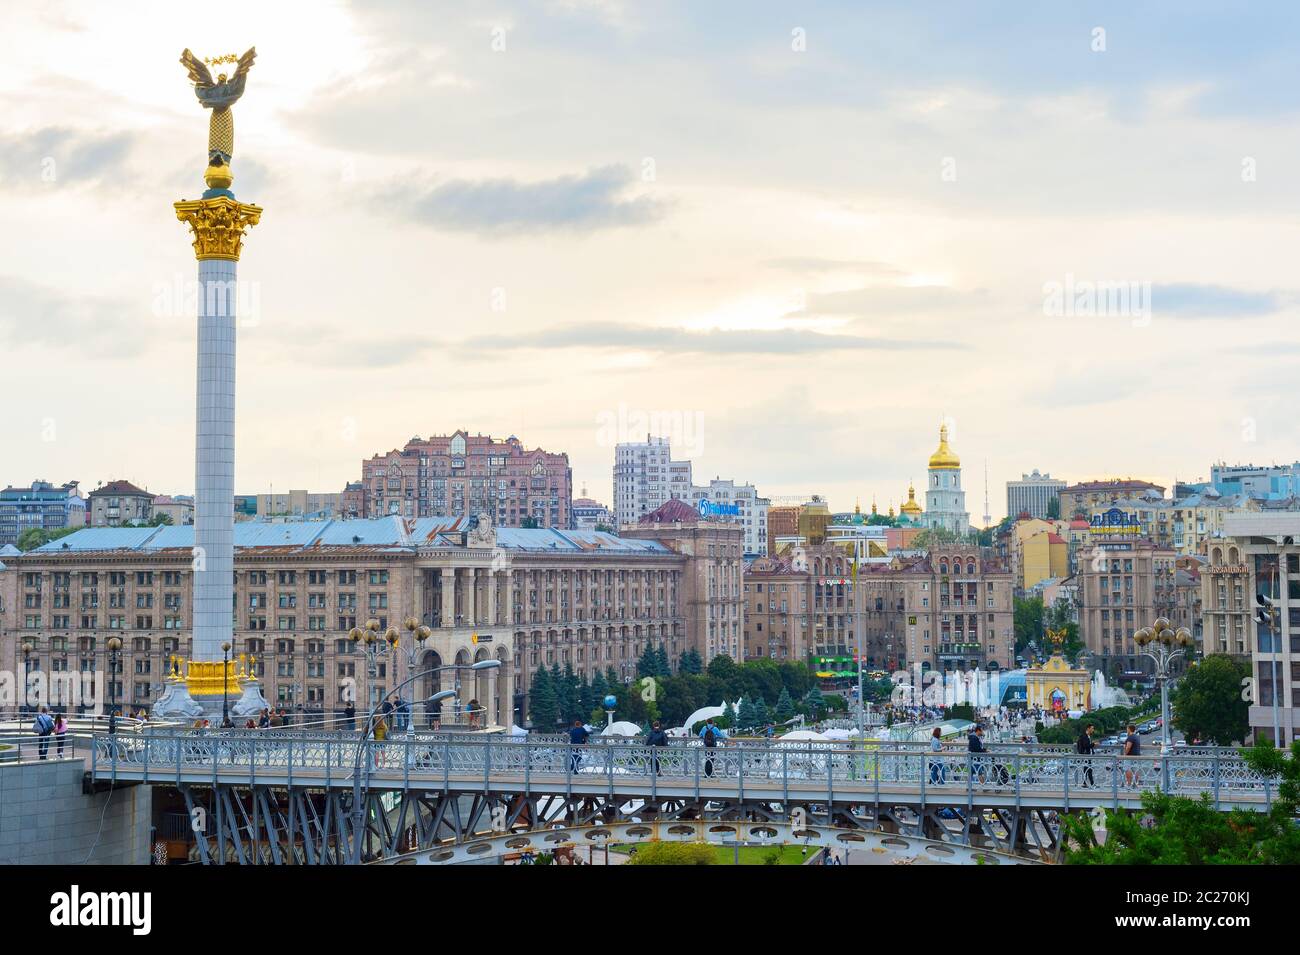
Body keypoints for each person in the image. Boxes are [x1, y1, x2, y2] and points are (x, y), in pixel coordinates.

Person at [1076, 722, 1096, 788]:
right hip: (1086, 755)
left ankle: (1085, 783)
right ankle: (1092, 784)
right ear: (1088, 728)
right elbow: (1086, 745)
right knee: (1089, 769)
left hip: (1087, 755)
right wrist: (1093, 744)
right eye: (1092, 728)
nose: (1093, 730)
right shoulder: (1084, 736)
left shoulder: (1087, 736)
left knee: (1086, 769)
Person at [1122, 723, 1142, 788]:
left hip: (1130, 756)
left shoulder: (1130, 737)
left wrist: (1125, 754)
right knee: (1135, 770)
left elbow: (1128, 747)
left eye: (1127, 729)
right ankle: (1135, 784)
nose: (1126, 730)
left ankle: (1129, 784)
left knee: (1127, 769)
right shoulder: (1136, 736)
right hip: (1136, 755)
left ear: (1129, 729)